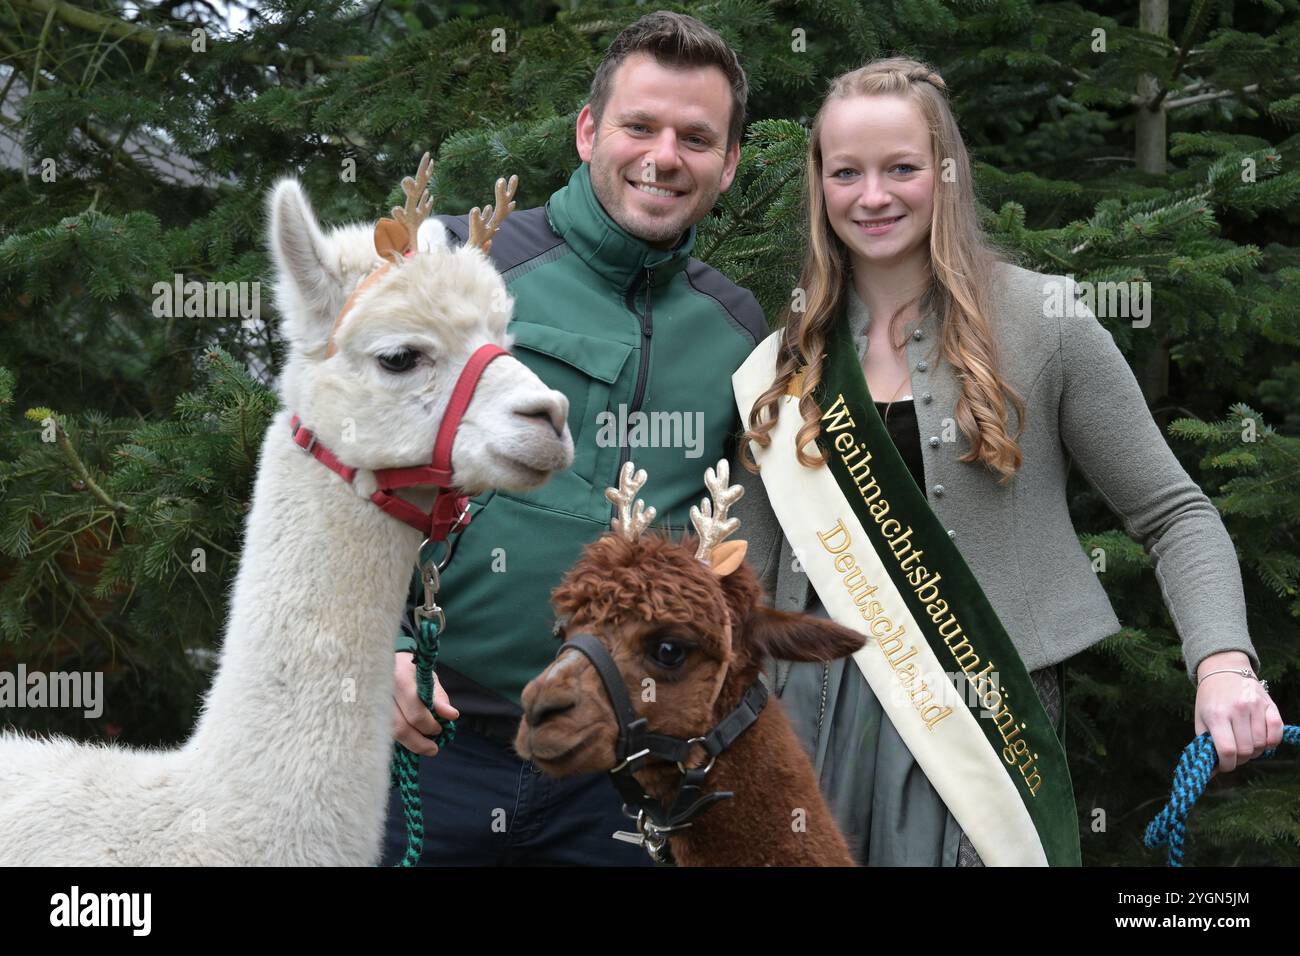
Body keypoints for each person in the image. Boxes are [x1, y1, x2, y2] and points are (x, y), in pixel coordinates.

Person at [729, 57, 1285, 866]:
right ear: (820, 183)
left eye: (902, 169)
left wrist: (1224, 664)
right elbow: (738, 576)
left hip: (986, 717)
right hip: (812, 723)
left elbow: (1174, 514)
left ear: (945, 173)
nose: (872, 195)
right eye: (846, 172)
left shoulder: (1046, 321)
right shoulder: (779, 365)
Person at [379, 11, 768, 866]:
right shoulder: (459, 266)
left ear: (729, 163)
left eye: (696, 137)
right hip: (426, 742)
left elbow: (748, 542)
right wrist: (382, 654)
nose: (663, 156)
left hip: (617, 778)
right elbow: (333, 476)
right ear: (590, 130)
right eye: (639, 125)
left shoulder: (739, 335)